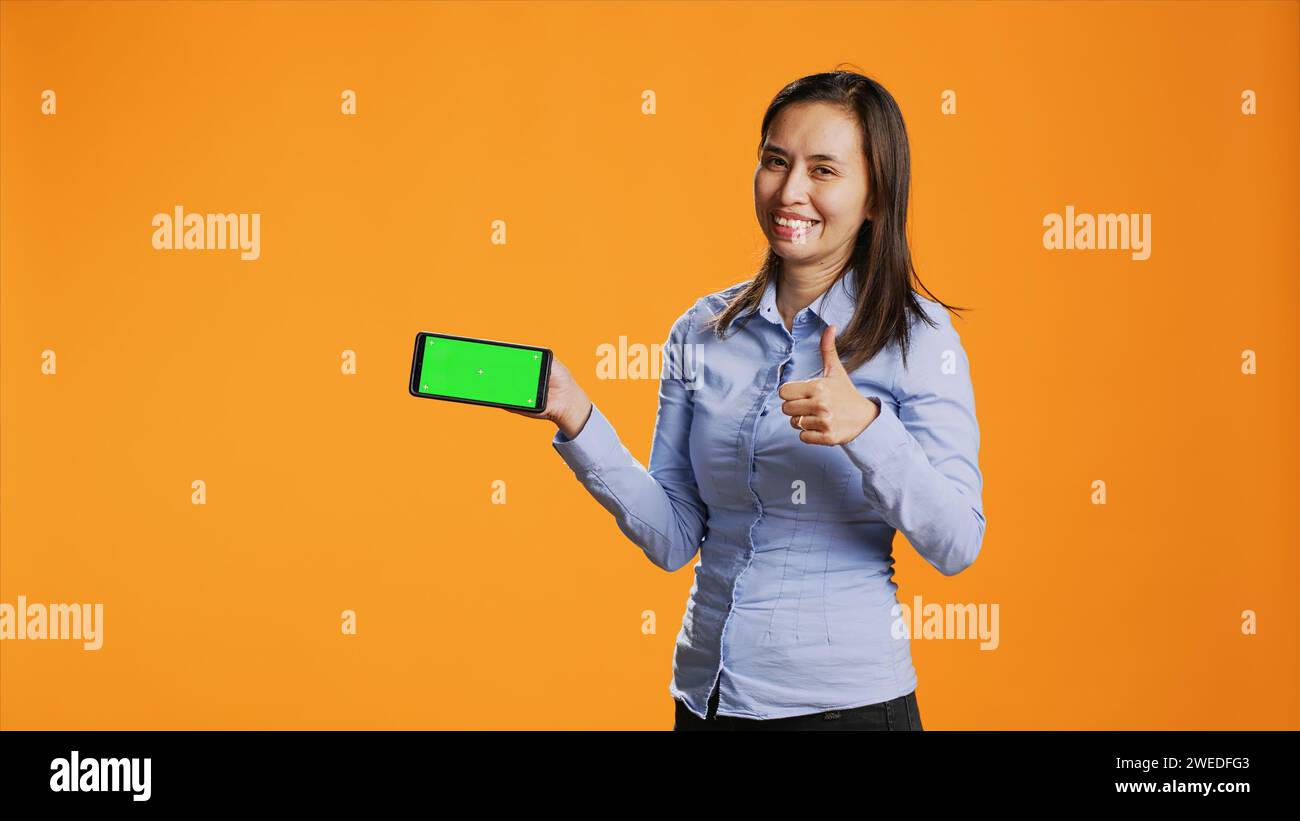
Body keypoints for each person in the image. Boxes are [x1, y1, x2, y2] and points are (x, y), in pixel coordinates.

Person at [504, 70, 985, 731]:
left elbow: (958, 541)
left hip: (845, 712)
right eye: (775, 161)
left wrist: (869, 429)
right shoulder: (700, 333)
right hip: (706, 702)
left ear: (875, 196)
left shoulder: (918, 336)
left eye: (823, 170)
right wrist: (575, 416)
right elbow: (674, 537)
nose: (790, 191)